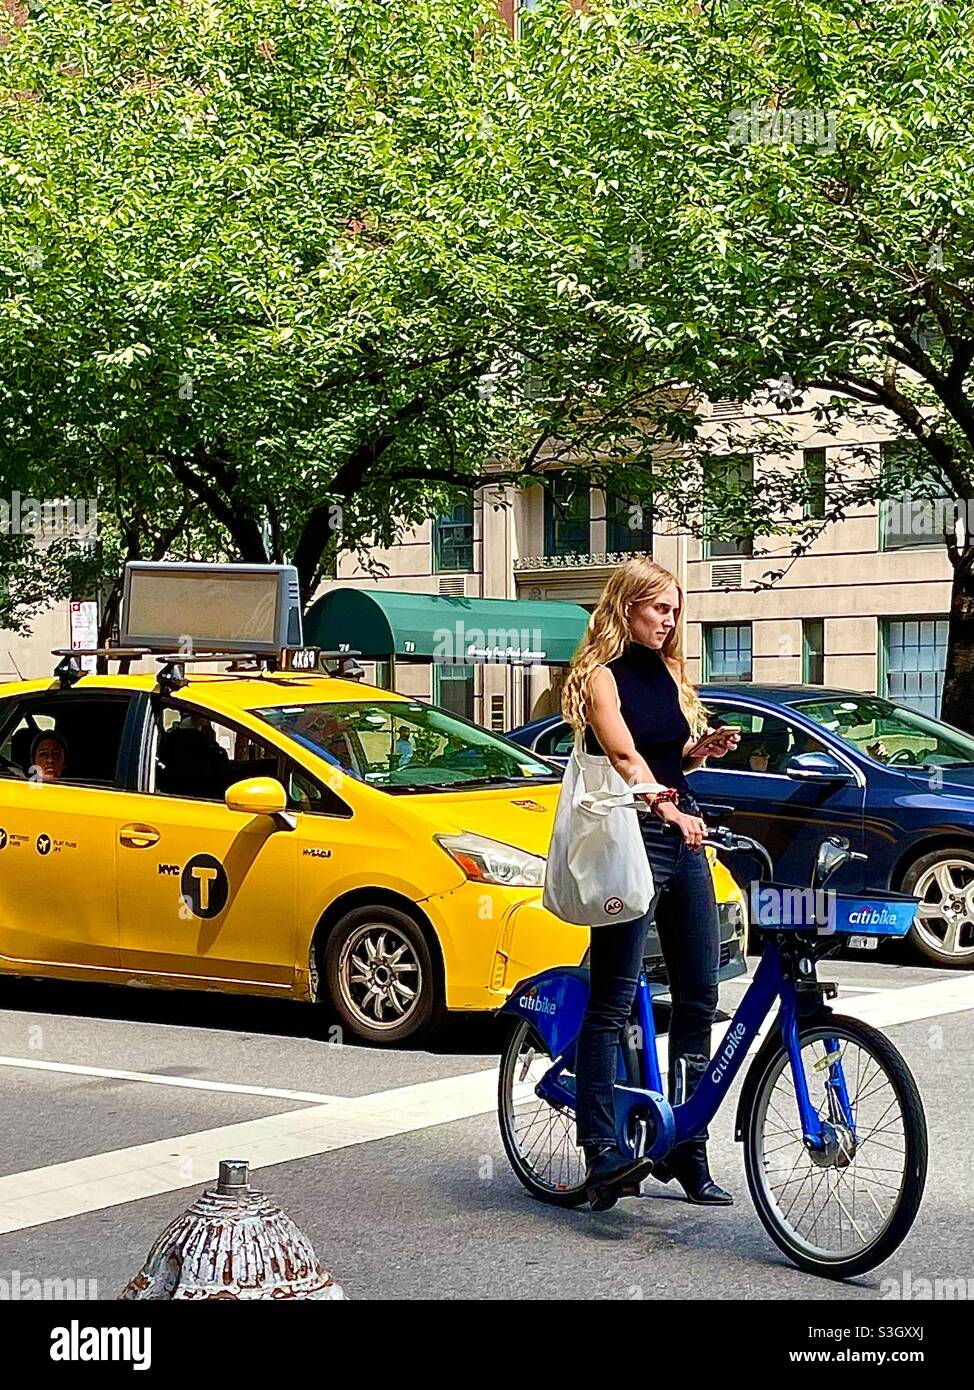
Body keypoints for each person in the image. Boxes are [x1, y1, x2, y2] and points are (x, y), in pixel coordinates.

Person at [561, 556, 742, 1210]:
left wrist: (699, 752)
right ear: (625, 606)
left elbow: (662, 753)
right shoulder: (598, 676)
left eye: (673, 610)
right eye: (657, 608)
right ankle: (603, 1149)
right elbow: (622, 753)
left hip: (682, 833)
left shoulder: (669, 672)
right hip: (629, 836)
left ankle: (686, 1148)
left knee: (698, 996)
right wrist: (662, 804)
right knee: (613, 997)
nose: (667, 621)